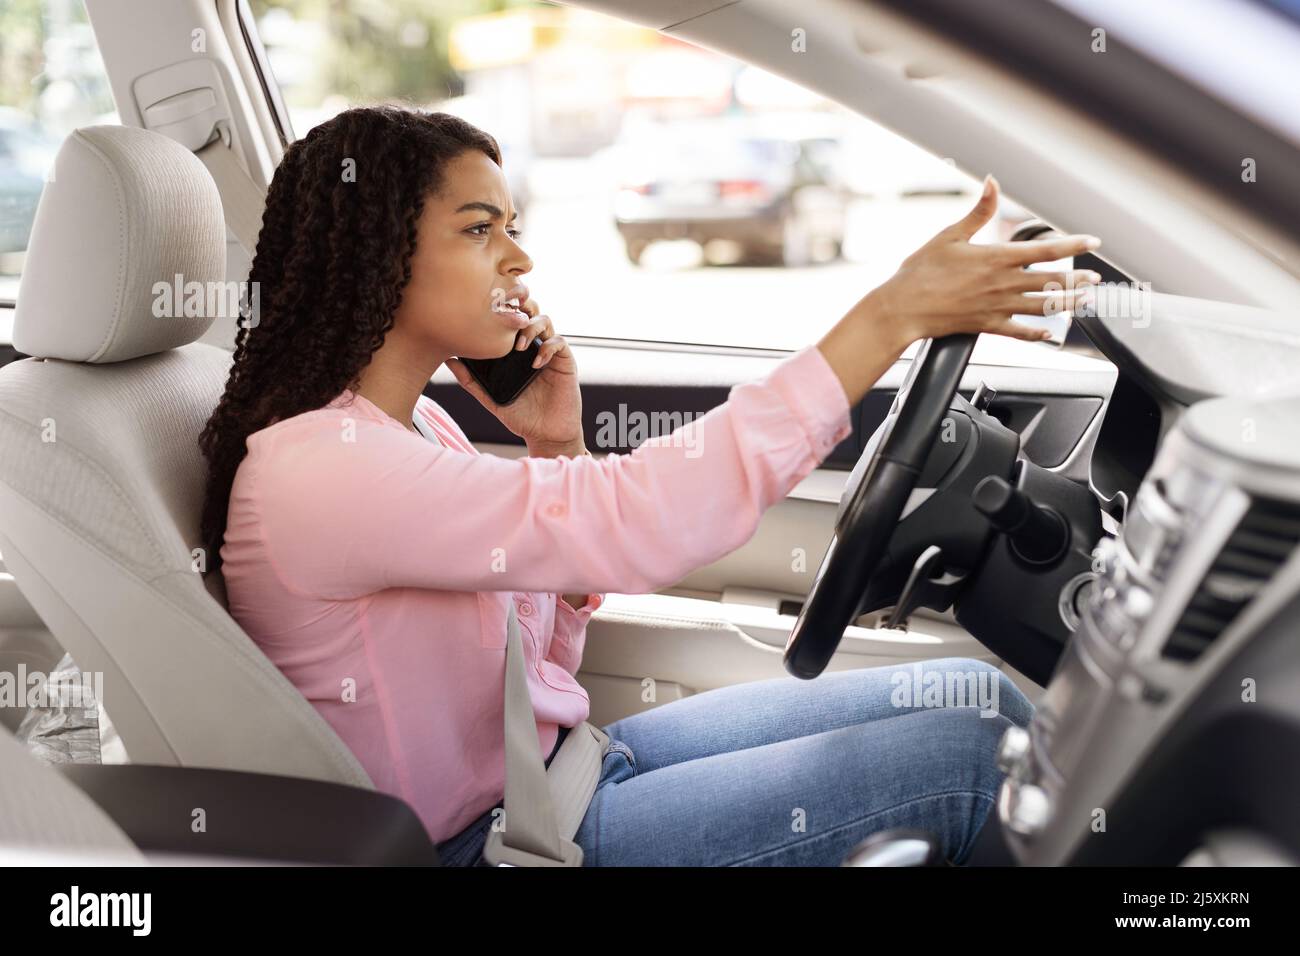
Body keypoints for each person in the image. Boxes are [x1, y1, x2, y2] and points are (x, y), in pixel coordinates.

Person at [198, 106, 1100, 866]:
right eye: (479, 230)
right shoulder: (325, 469)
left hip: (564, 775)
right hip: (500, 846)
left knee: (974, 697)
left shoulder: (411, 427)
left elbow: (537, 667)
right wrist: (889, 318)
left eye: (512, 228)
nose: (518, 260)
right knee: (980, 756)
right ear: (374, 258)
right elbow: (644, 519)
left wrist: (555, 446)